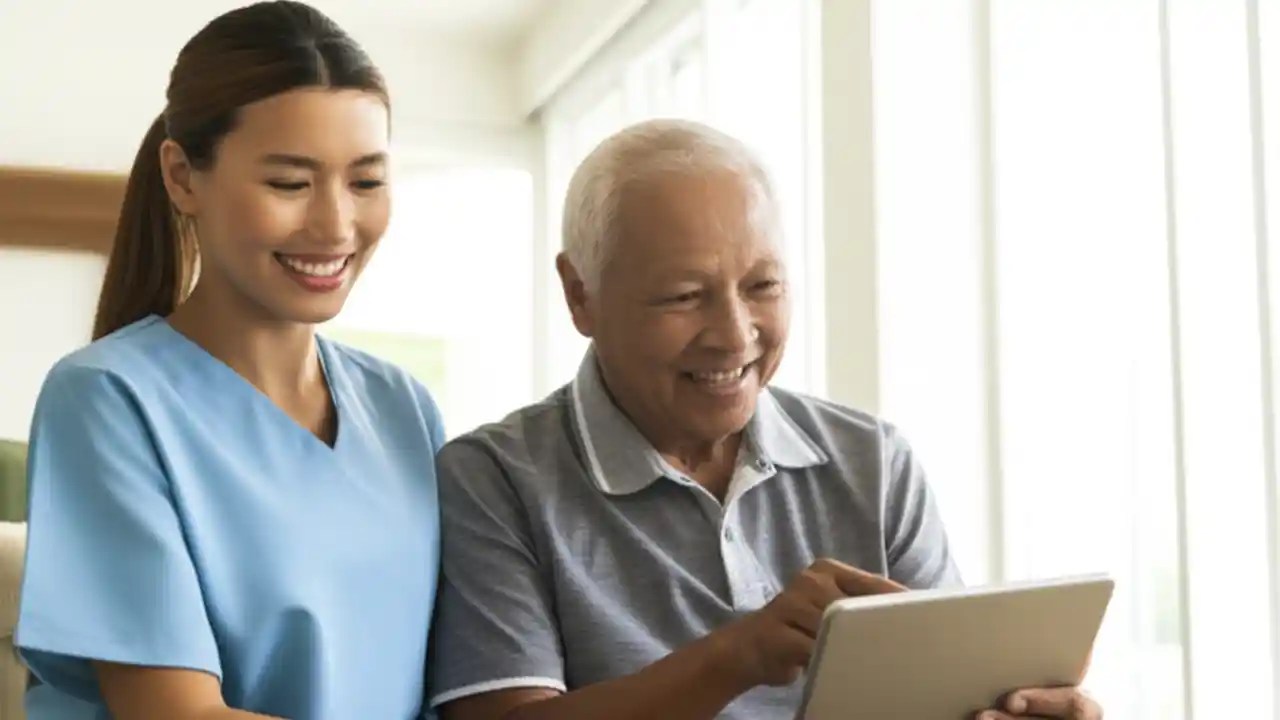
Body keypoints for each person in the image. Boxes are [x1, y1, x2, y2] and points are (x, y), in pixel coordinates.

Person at [427, 119, 1102, 720]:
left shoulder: (874, 461)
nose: (734, 334)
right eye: (685, 296)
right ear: (581, 295)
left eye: (763, 287)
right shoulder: (494, 480)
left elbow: (950, 696)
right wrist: (736, 656)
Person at [15, 3, 444, 718]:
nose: (336, 225)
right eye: (289, 183)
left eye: (365, 182)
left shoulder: (405, 409)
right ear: (183, 177)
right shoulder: (106, 399)